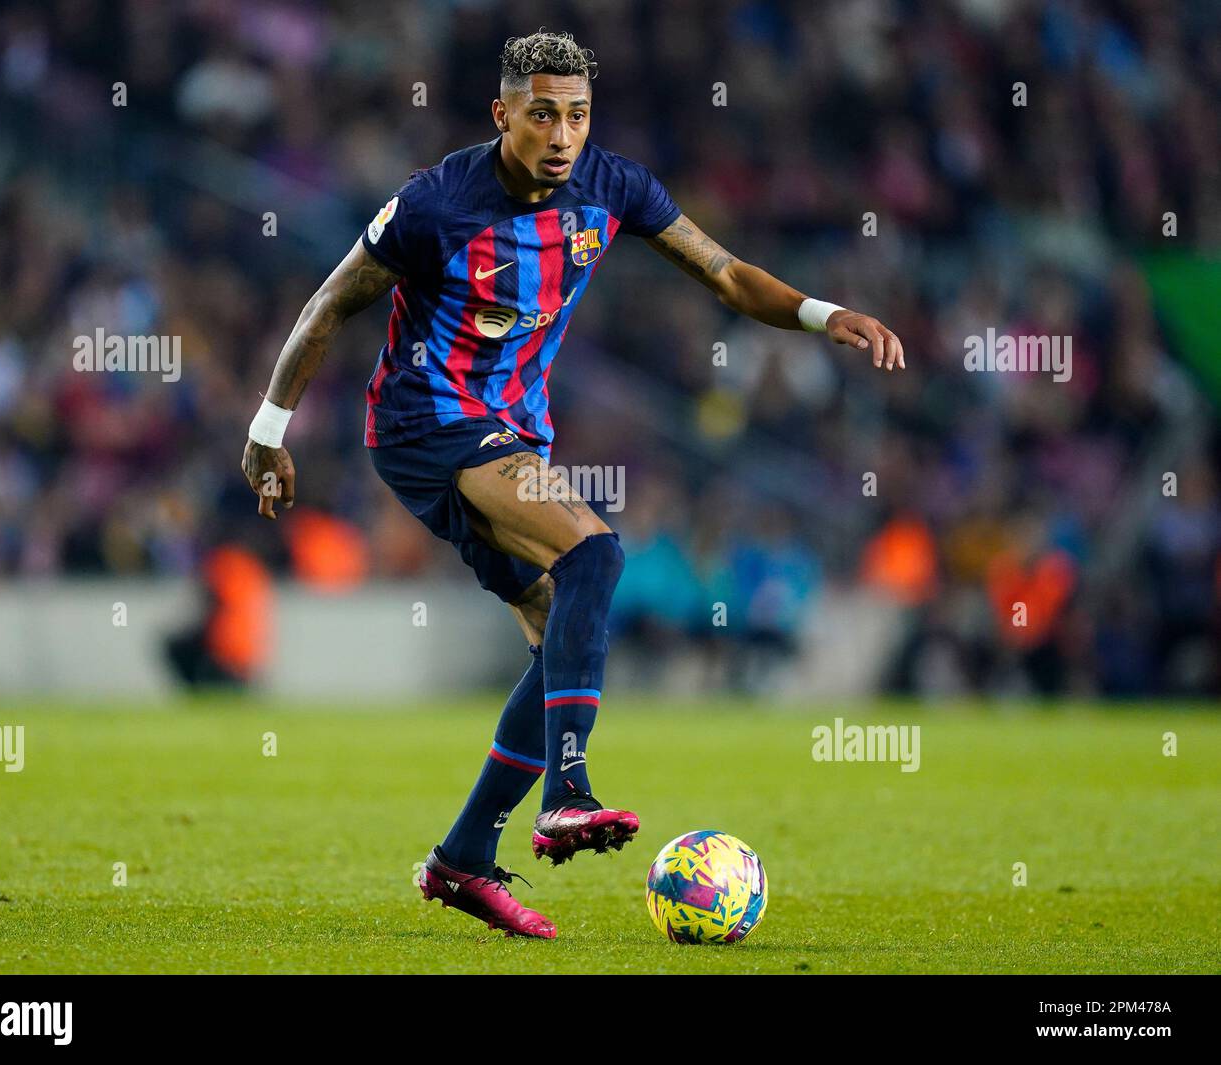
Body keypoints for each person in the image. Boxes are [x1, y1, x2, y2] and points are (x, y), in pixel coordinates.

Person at [240, 29, 905, 938]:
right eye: (543, 113)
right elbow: (327, 307)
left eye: (578, 115)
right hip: (424, 422)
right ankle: (568, 790)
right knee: (596, 553)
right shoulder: (436, 203)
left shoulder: (616, 188)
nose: (562, 134)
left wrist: (826, 314)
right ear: (503, 113)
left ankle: (462, 859)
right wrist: (269, 430)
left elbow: (726, 275)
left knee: (560, 630)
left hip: (515, 430)